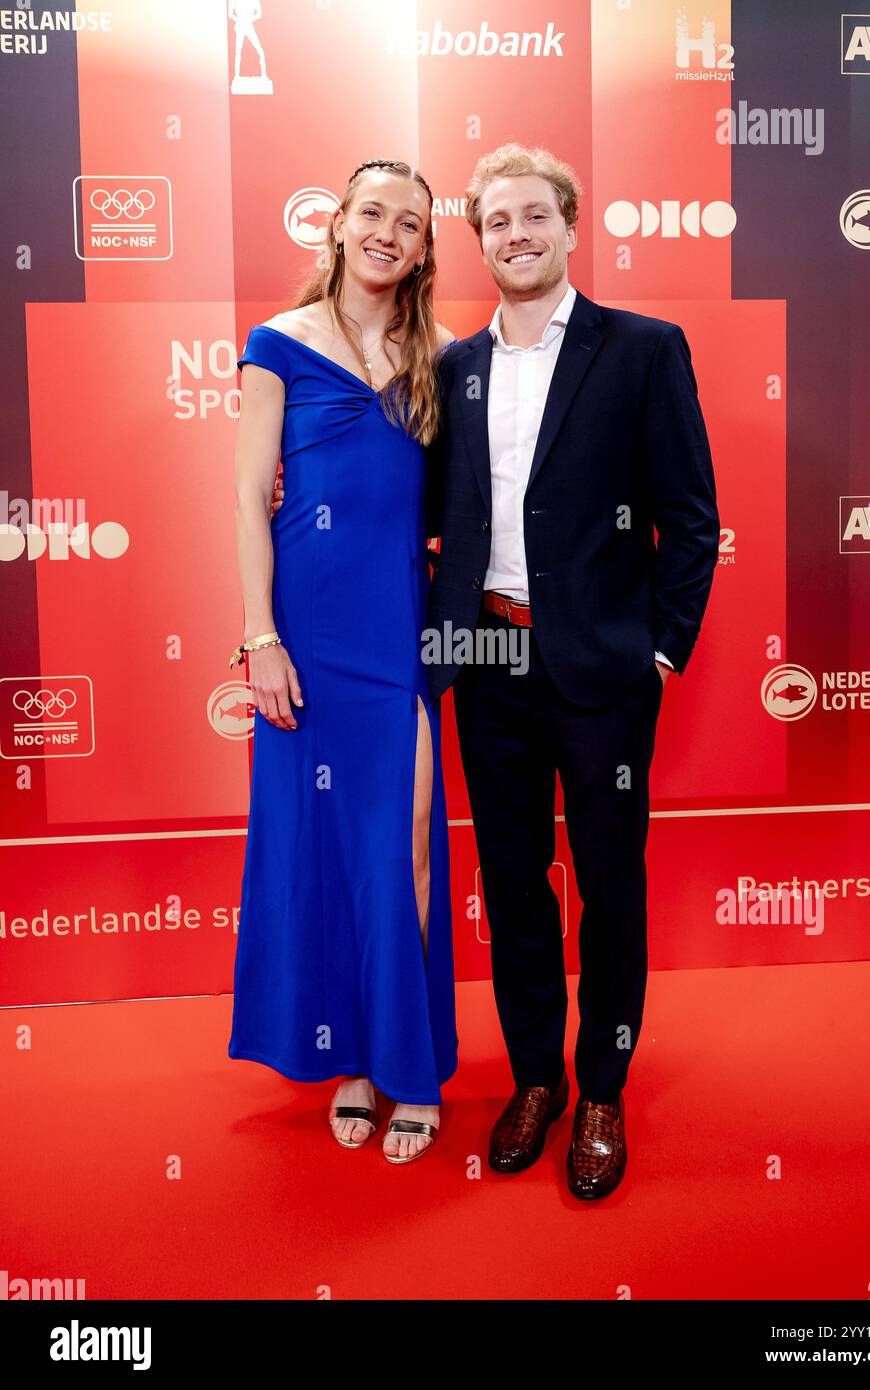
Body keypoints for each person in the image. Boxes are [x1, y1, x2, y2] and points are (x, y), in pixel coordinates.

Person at [425, 144, 719, 1199]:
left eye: (532, 216)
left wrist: (657, 647)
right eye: (495, 221)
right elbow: (428, 517)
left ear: (567, 223)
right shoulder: (453, 367)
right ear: (480, 240)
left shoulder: (640, 349)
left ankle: (602, 1086)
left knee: (609, 888)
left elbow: (690, 520)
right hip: (487, 652)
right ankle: (535, 1079)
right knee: (509, 889)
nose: (515, 234)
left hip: (601, 665)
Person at [229, 158, 457, 1165]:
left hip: (399, 635)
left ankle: (409, 1067)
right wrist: (260, 639)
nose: (387, 234)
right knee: (323, 851)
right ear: (336, 224)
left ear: (420, 250)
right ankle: (353, 1062)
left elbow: (466, 501)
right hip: (309, 635)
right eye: (373, 213)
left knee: (404, 845)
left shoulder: (441, 354)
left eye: (407, 224)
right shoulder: (277, 343)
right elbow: (246, 498)